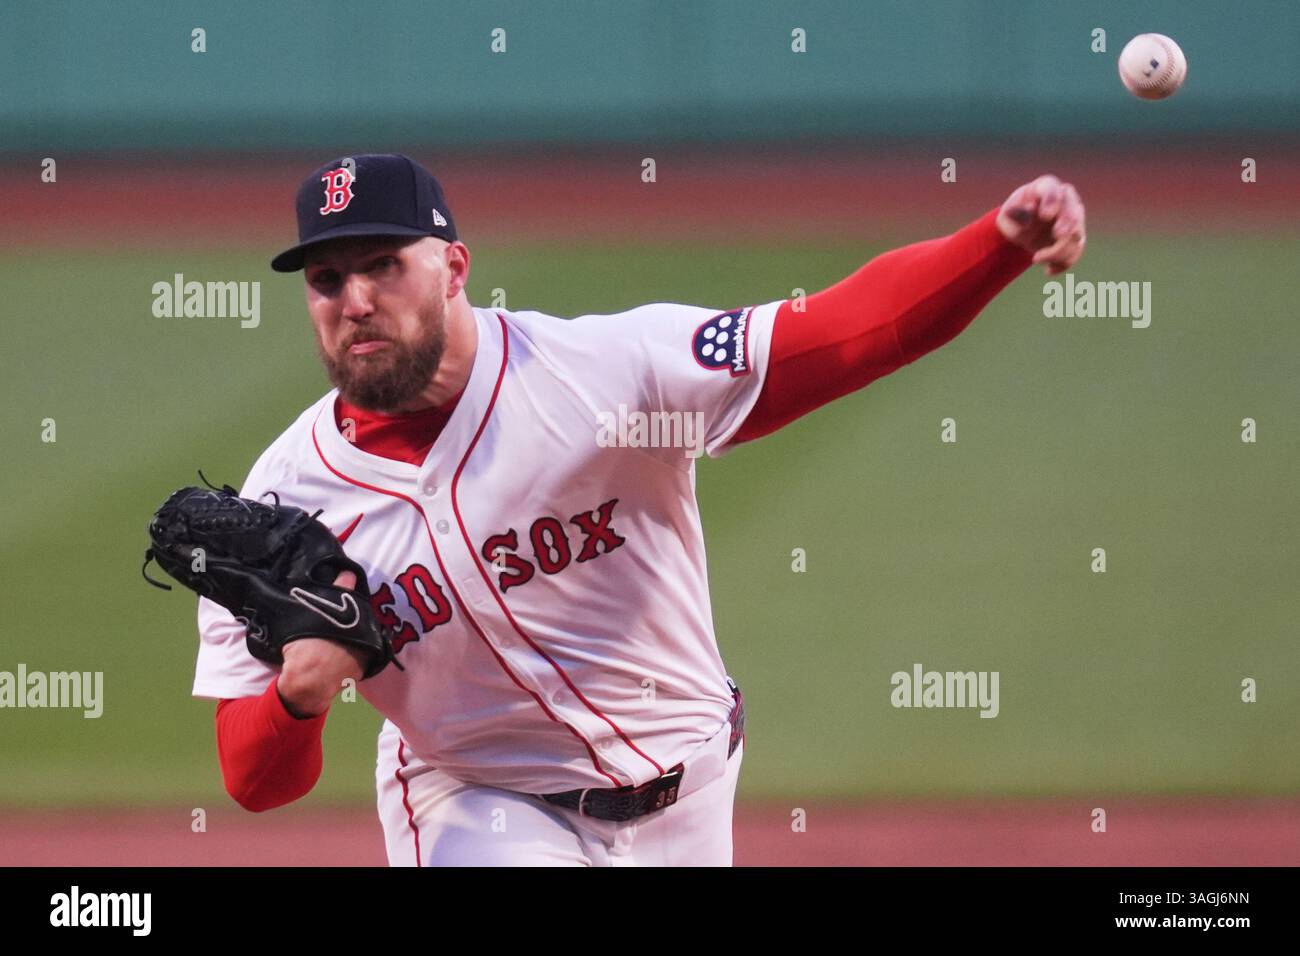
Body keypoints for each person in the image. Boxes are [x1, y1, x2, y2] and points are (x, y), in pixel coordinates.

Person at [192, 153, 1086, 866]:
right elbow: (253, 778)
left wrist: (997, 244)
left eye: (383, 265)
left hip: (690, 791)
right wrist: (300, 698)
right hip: (477, 807)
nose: (354, 301)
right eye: (326, 278)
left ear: (455, 267)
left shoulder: (605, 374)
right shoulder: (284, 501)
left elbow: (843, 333)